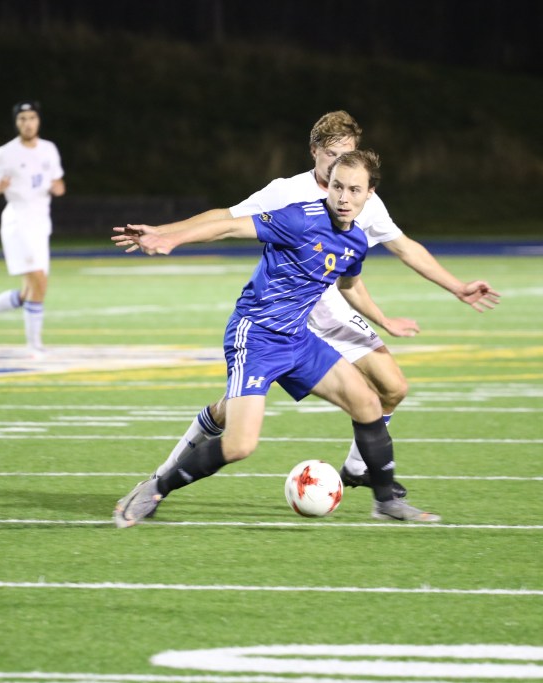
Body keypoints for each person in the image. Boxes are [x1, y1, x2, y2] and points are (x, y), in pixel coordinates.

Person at [130, 111, 499, 502]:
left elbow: (399, 249)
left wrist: (456, 287)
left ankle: (360, 470)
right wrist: (166, 233)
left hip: (329, 310)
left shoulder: (359, 194)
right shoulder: (287, 194)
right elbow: (226, 219)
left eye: (348, 155)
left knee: (392, 388)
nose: (341, 166)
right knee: (232, 418)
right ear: (314, 152)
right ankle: (163, 478)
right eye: (332, 155)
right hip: (277, 314)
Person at [111, 150, 440, 527]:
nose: (344, 198)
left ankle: (385, 501)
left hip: (298, 340)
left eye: (354, 190)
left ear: (370, 194)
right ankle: (155, 489)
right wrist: (172, 239)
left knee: (368, 403)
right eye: (337, 187)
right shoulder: (300, 217)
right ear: (327, 186)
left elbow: (349, 284)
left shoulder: (356, 243)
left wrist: (384, 320)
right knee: (239, 446)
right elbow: (230, 226)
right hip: (257, 337)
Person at [0, 100, 66, 357]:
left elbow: (58, 181)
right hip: (18, 225)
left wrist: (59, 188)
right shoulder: (5, 153)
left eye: (32, 118)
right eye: (22, 119)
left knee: (30, 291)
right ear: (16, 123)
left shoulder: (49, 149)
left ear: (38, 120)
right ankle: (35, 346)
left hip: (41, 225)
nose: (27, 123)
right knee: (39, 283)